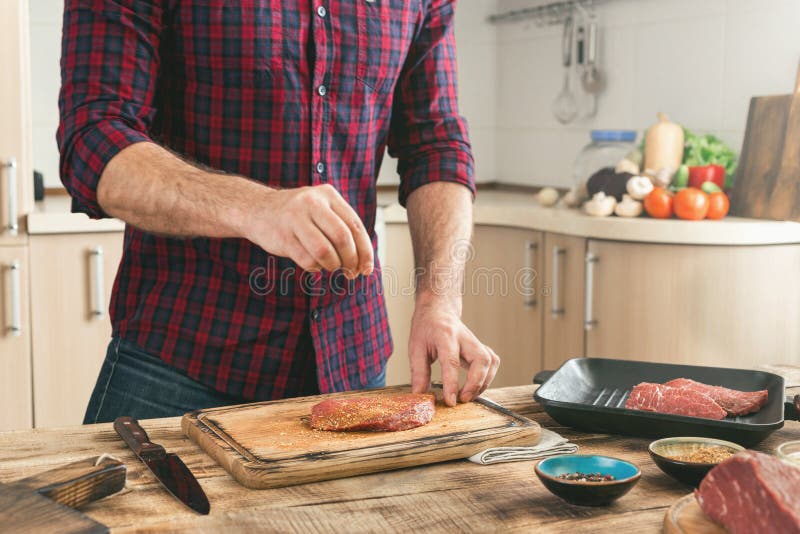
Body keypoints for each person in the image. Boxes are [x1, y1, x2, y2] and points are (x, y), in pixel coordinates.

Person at [58, 0, 500, 424]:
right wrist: (256, 207)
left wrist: (439, 301)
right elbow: (94, 137)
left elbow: (436, 144)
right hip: (179, 362)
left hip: (351, 362)